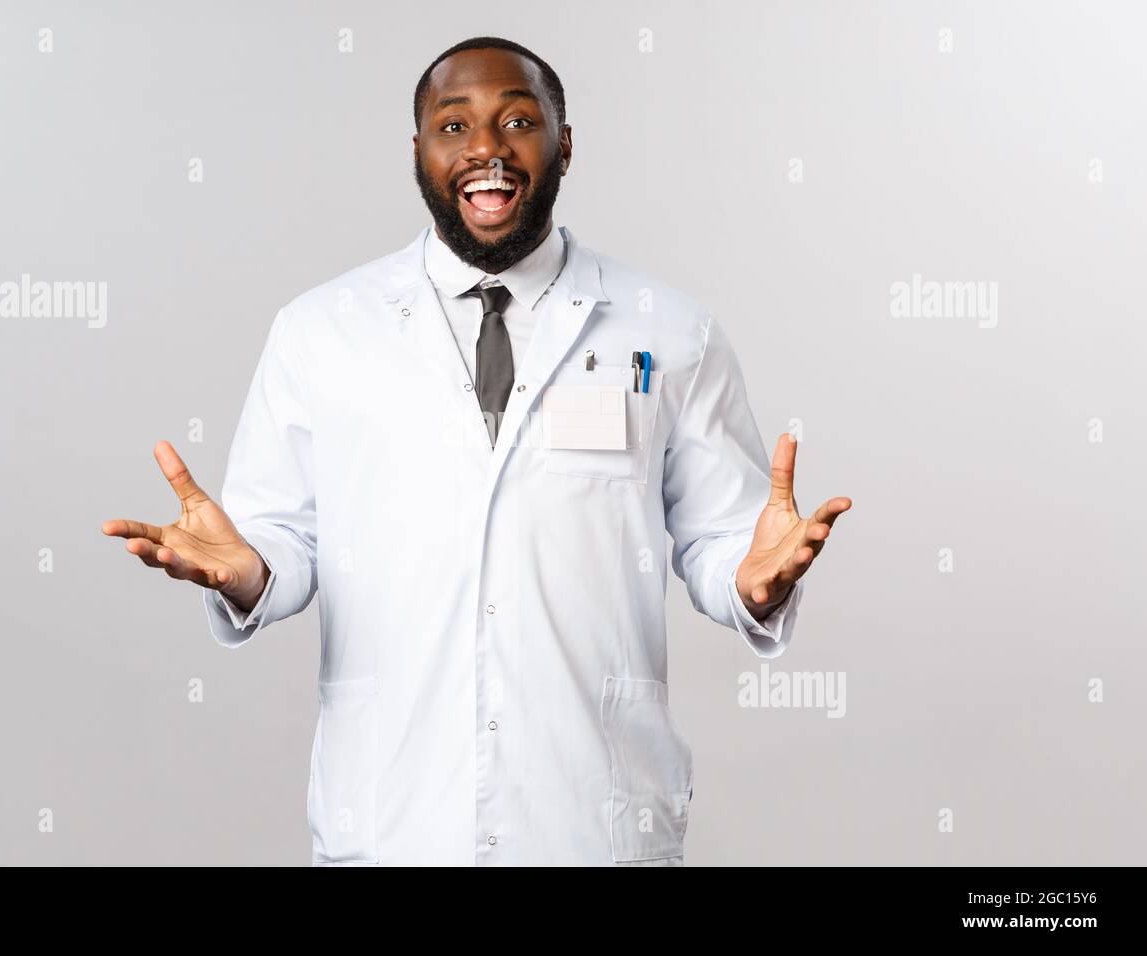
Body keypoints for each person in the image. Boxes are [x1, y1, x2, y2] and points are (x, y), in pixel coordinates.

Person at [102, 36, 851, 866]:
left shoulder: (668, 330)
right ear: (419, 152)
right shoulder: (322, 331)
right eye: (453, 126)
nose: (486, 149)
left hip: (590, 814)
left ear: (564, 143)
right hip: (392, 813)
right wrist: (247, 571)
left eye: (518, 121)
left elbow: (723, 542)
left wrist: (752, 579)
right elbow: (282, 540)